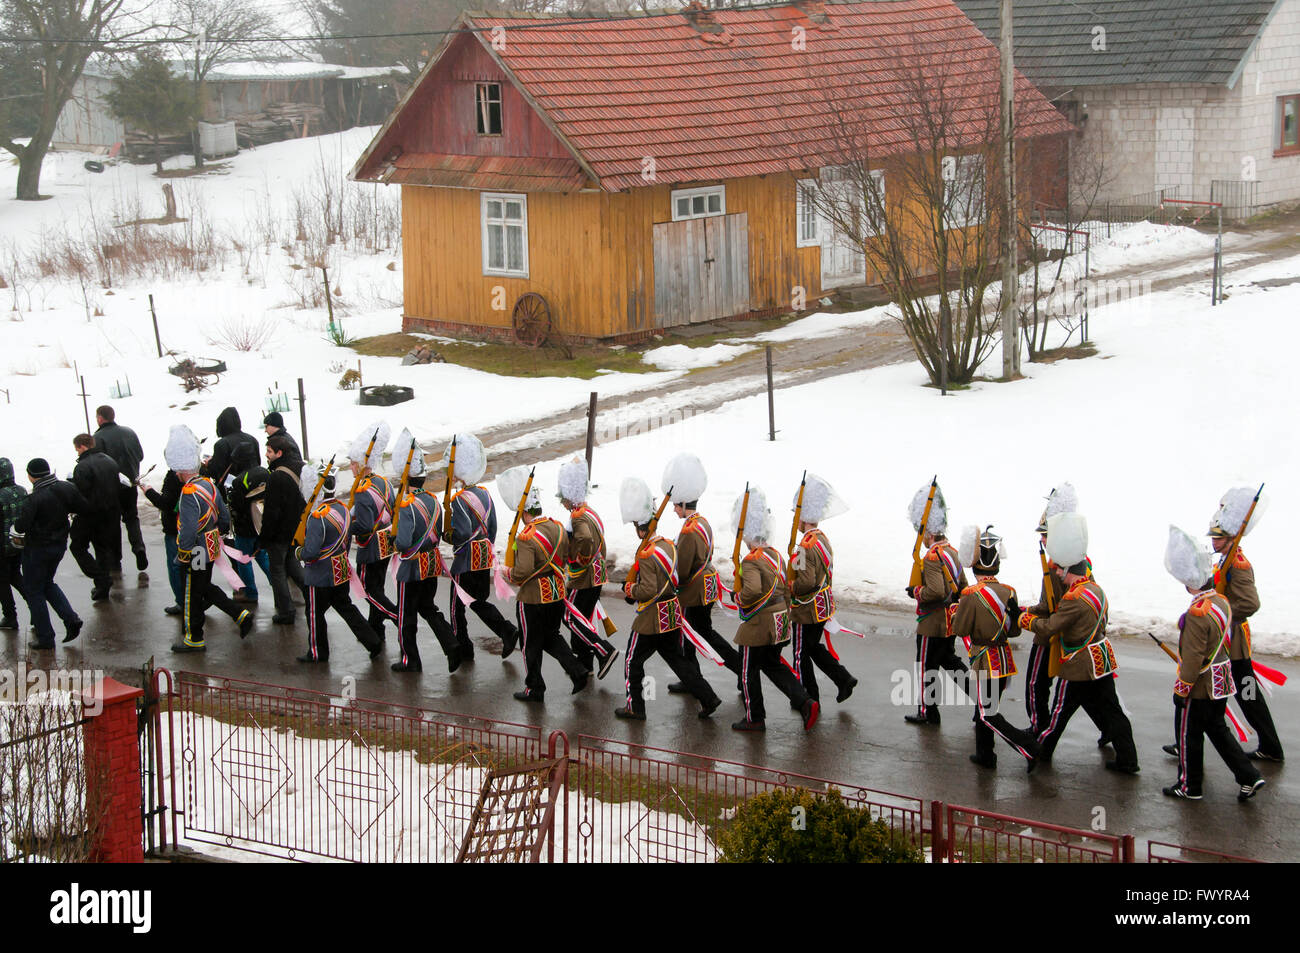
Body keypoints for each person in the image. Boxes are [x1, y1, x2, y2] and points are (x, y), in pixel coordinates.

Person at [1020, 512, 1139, 775]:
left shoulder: (1073, 597)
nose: (1058, 573)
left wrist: (1024, 620)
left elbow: (1051, 626)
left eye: (1062, 570)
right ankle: (1128, 759)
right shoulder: (1096, 590)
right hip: (1100, 658)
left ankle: (1038, 752)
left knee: (1059, 713)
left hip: (1077, 664)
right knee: (1112, 711)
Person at [1161, 525, 1265, 802]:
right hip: (1221, 680)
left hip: (1200, 685)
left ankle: (1189, 785)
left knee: (1188, 735)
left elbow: (1193, 658)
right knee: (1218, 731)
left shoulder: (1196, 613)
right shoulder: (1221, 601)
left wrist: (1181, 689)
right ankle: (1249, 776)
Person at [615, 476, 721, 721]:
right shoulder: (667, 546)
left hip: (651, 618)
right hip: (670, 614)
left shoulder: (647, 554)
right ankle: (708, 697)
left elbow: (649, 589)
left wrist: (631, 590)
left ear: (641, 529)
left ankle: (636, 707)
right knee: (679, 661)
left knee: (632, 661)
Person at [729, 486, 819, 733]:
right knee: (773, 666)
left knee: (748, 671)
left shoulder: (751, 560)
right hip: (779, 620)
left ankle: (754, 717)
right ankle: (804, 701)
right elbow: (788, 590)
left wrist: (737, 597)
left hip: (759, 625)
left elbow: (752, 591)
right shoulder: (777, 556)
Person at [950, 526, 1039, 769]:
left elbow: (960, 629)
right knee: (986, 709)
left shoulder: (970, 594)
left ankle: (1027, 746)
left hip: (984, 659)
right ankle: (985, 754)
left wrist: (955, 612)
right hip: (1003, 658)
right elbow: (1015, 630)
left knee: (987, 714)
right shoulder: (1009, 591)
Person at [1207, 488, 1283, 763]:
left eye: (1217, 538)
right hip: (1225, 639)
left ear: (1229, 539)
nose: (1213, 542)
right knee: (1222, 692)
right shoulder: (1226, 560)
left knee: (1247, 695)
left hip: (1234, 640)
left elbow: (1250, 604)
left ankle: (1271, 746)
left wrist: (1222, 613)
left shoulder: (1238, 565)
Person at [502, 467, 589, 703]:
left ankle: (534, 688)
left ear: (524, 513)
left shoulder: (526, 536)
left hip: (532, 598)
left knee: (530, 644)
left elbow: (522, 573)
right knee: (551, 637)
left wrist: (506, 571)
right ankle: (577, 670)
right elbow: (567, 555)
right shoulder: (558, 527)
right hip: (556, 594)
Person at [661, 453, 743, 697]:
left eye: (676, 505)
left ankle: (738, 669)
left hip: (693, 593)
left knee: (697, 635)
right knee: (696, 636)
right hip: (705, 587)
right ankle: (693, 678)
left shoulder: (688, 531)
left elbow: (683, 570)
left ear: (685, 503)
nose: (674, 509)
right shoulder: (702, 522)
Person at [169, 426, 253, 653]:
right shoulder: (209, 484)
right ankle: (239, 614)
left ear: (180, 470)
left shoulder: (188, 492)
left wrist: (183, 555)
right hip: (211, 543)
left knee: (191, 592)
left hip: (195, 549)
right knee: (202, 586)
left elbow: (187, 530)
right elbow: (224, 517)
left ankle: (193, 636)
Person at [442, 433, 519, 657]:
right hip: (484, 557)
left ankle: (463, 648)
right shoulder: (485, 495)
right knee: (477, 601)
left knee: (457, 607)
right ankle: (505, 630)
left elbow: (463, 532)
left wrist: (448, 536)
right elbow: (492, 528)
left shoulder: (459, 500)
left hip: (465, 561)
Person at [297, 463, 382, 664]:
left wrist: (298, 552)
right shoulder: (342, 508)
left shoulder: (317, 516)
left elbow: (311, 552)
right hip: (339, 569)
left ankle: (318, 652)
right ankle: (372, 641)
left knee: (314, 613)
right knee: (347, 608)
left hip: (319, 575)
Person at [390, 431, 458, 673]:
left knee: (407, 615)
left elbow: (405, 542)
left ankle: (411, 659)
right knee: (429, 608)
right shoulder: (432, 500)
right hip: (431, 563)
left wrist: (394, 540)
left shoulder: (408, 505)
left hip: (411, 569)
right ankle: (451, 645)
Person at [789, 473, 857, 705]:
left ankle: (807, 697)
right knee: (812, 648)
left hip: (806, 609)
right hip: (821, 606)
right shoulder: (821, 539)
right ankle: (843, 678)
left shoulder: (804, 547)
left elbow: (805, 582)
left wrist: (791, 587)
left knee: (800, 653)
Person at [904, 482, 968, 727]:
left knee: (926, 668)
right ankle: (983, 700)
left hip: (932, 623)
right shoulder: (952, 551)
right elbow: (961, 584)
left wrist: (916, 591)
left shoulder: (932, 557)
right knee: (950, 662)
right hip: (950, 622)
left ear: (929, 533)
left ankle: (928, 712)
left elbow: (936, 591)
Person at [13, 458, 87, 650]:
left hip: (37, 550)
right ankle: (71, 619)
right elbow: (83, 508)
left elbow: (21, 525)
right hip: (59, 545)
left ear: (31, 476)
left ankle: (45, 637)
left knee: (33, 590)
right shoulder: (65, 487)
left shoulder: (35, 498)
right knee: (47, 583)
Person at [557, 458, 619, 679]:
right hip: (597, 575)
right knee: (583, 619)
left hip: (584, 577)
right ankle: (586, 665)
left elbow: (584, 539)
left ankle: (603, 651)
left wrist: (577, 559)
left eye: (563, 498)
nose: (562, 503)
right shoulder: (589, 511)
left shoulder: (577, 517)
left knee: (571, 617)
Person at [346, 422, 399, 641]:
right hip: (386, 544)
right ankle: (376, 629)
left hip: (371, 548)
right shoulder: (383, 482)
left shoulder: (362, 491)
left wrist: (346, 528)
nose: (351, 467)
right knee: (377, 588)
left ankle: (398, 617)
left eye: (352, 463)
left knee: (369, 590)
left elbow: (365, 526)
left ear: (360, 464)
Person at [203, 407, 261, 596]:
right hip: (254, 495)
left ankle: (245, 585)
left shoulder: (222, 444)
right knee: (256, 538)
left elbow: (217, 471)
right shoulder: (252, 439)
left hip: (232, 496)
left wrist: (207, 466)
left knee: (236, 539)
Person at [259, 435, 307, 625]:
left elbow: (271, 512)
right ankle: (312, 595)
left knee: (277, 570)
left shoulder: (277, 476)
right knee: (293, 564)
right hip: (297, 528)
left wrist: (264, 537)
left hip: (280, 532)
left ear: (279, 453)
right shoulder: (301, 467)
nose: (267, 455)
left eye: (270, 451)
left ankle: (286, 611)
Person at [92, 405, 147, 571]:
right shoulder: (129, 432)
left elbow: (98, 464)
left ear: (100, 418)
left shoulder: (98, 437)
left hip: (111, 487)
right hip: (130, 482)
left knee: (113, 522)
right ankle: (139, 548)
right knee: (131, 518)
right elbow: (140, 455)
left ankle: (115, 559)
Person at [69, 433, 121, 601]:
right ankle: (102, 587)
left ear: (82, 446)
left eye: (77, 449)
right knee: (102, 549)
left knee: (77, 547)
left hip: (89, 515)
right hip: (110, 513)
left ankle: (101, 579)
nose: (76, 452)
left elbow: (80, 494)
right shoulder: (109, 461)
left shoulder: (82, 467)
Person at [141, 468, 187, 616]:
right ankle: (195, 600)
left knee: (176, 567)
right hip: (193, 528)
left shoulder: (174, 476)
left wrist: (148, 491)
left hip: (175, 529)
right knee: (195, 569)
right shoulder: (197, 472)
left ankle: (182, 602)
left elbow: (166, 503)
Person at [227, 464, 273, 605]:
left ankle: (251, 593)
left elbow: (238, 505)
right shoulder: (266, 472)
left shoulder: (239, 480)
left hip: (245, 529)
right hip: (261, 525)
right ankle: (279, 585)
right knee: (263, 556)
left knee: (244, 561)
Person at [0, 457, 27, 631]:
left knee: (2, 582)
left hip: (2, 547)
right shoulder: (22, 490)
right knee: (16, 576)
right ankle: (35, 606)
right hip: (18, 544)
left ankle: (10, 616)